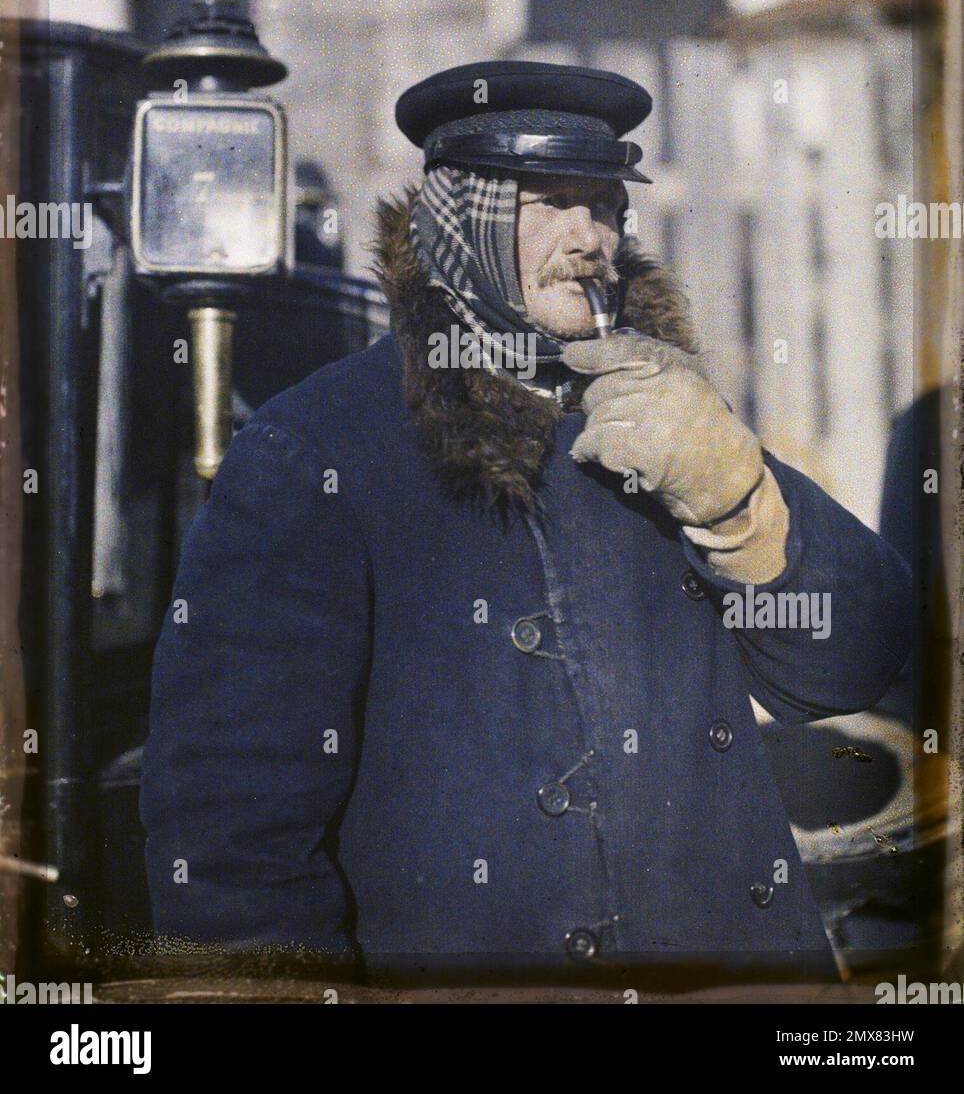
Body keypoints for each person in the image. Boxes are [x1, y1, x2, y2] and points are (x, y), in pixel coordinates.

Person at [140, 61, 912, 985]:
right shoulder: (318, 454)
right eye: (550, 202)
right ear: (456, 222)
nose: (591, 237)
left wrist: (742, 505)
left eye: (607, 204)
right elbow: (232, 840)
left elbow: (860, 658)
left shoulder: (661, 413)